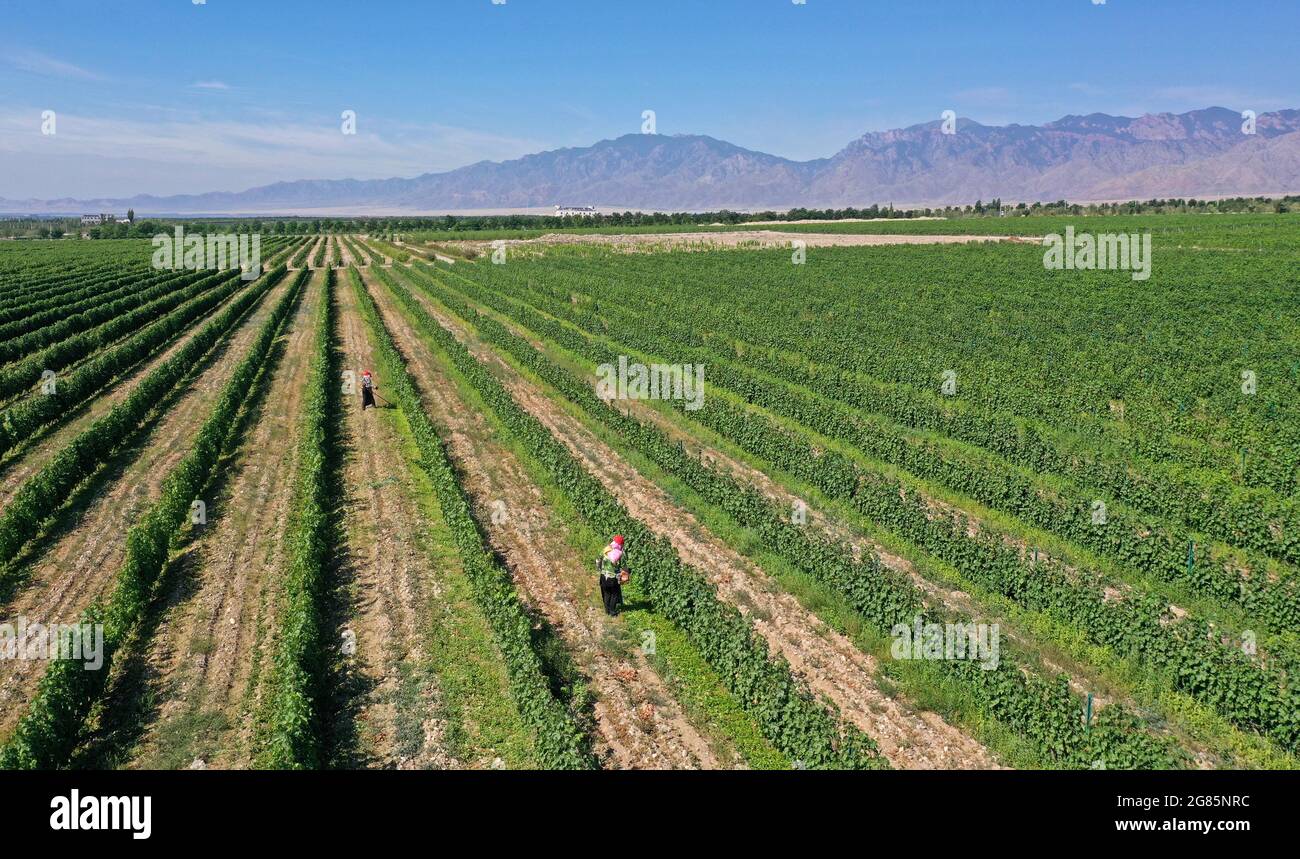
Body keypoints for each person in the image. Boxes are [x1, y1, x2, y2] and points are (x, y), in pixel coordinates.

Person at [597, 535, 629, 616]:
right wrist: (626, 575)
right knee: (614, 594)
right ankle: (612, 612)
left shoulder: (606, 549)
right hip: (613, 577)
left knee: (607, 593)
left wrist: (601, 570)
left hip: (603, 576)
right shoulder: (620, 553)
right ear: (620, 544)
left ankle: (607, 610)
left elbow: (598, 560)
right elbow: (624, 567)